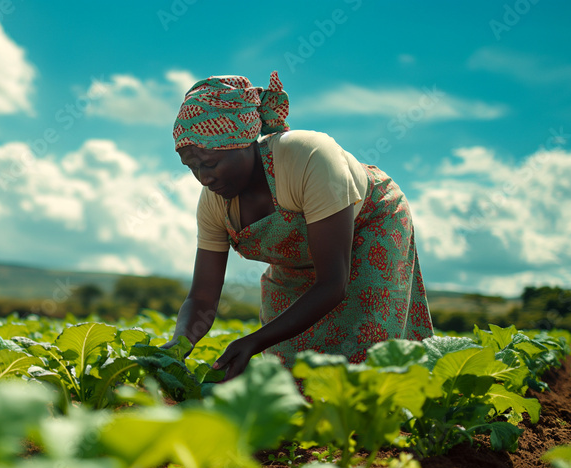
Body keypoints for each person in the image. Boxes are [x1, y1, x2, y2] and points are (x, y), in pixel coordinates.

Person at [163, 71, 434, 381]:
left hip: (369, 224)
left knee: (366, 349)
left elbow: (333, 283)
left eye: (210, 163)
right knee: (286, 368)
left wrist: (253, 340)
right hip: (299, 259)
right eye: (192, 167)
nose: (203, 177)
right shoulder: (214, 202)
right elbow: (201, 297)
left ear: (244, 143)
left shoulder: (308, 157)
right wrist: (178, 343)